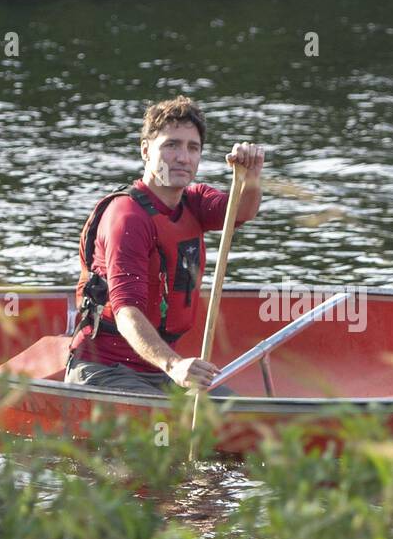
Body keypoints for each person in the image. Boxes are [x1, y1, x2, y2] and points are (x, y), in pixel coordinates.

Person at [66, 95, 263, 395]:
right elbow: (126, 312)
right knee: (161, 425)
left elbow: (242, 210)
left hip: (157, 370)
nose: (183, 157)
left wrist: (250, 176)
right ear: (146, 151)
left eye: (192, 148)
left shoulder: (194, 201)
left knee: (231, 410)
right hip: (104, 369)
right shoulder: (127, 217)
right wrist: (175, 366)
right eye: (171, 145)